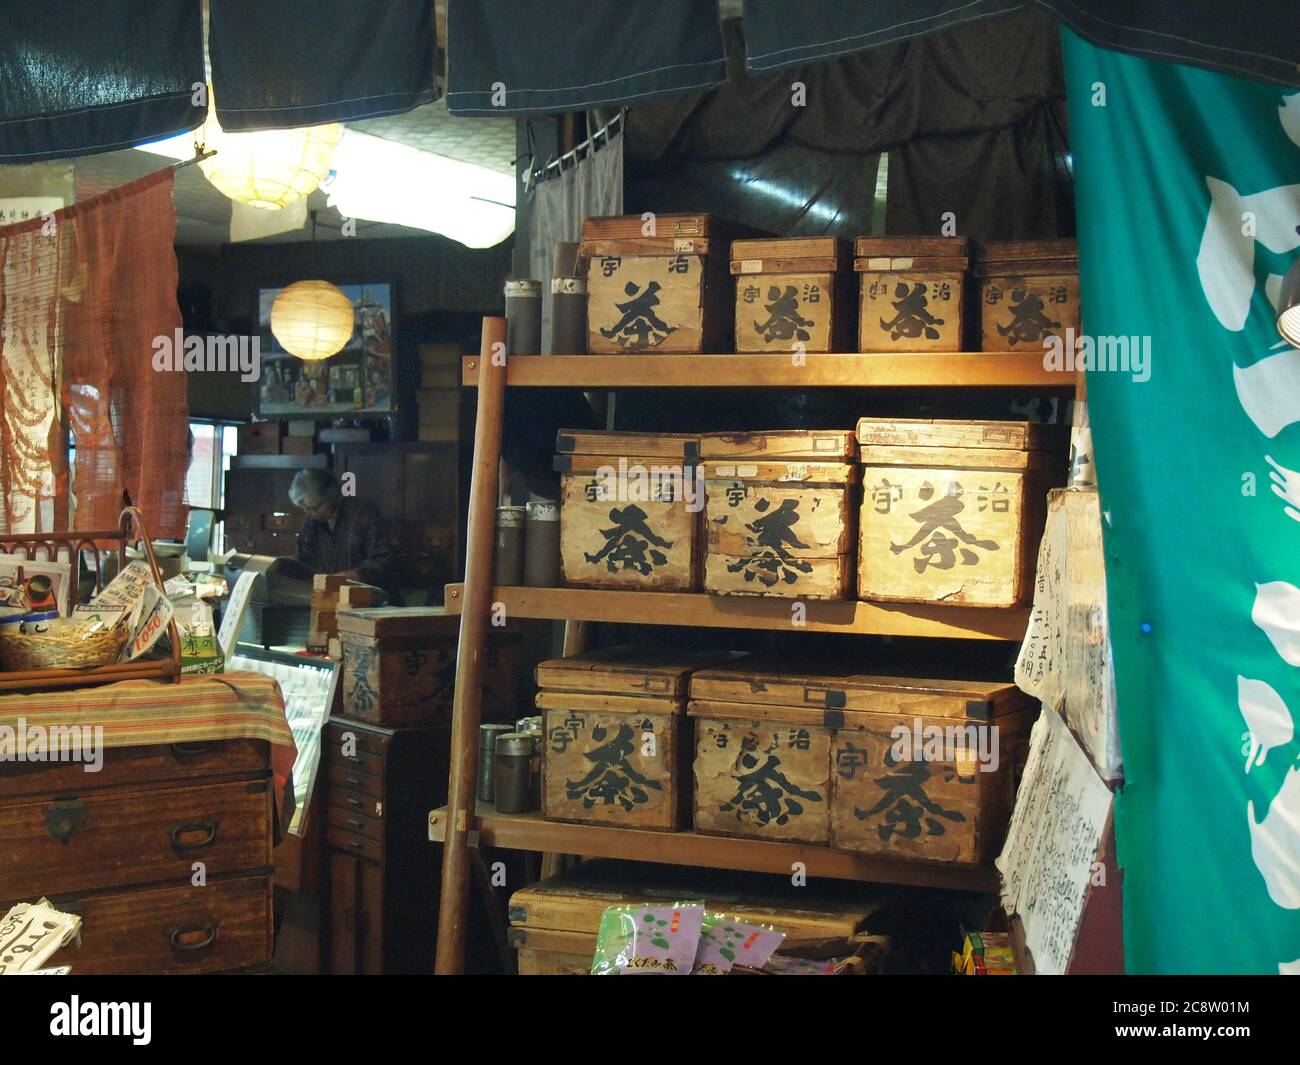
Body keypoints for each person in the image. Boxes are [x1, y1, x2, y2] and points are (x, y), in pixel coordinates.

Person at [289, 468, 393, 591]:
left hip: (370, 596)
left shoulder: (364, 514)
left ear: (331, 496)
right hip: (328, 596)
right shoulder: (312, 521)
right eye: (305, 508)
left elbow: (381, 559)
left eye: (315, 507)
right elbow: (303, 558)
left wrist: (350, 576)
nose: (310, 513)